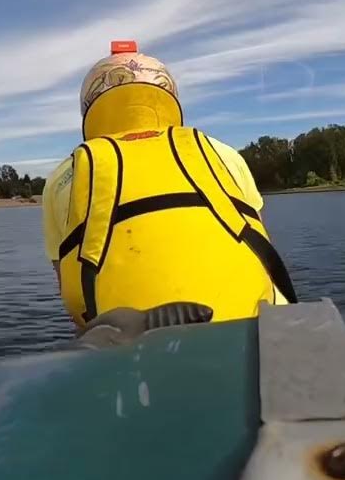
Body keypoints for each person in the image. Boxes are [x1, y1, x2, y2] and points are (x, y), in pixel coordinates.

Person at [42, 41, 298, 332]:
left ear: (89, 107)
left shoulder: (62, 178)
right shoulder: (224, 154)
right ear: (169, 96)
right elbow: (263, 251)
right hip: (256, 335)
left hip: (131, 349)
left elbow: (69, 286)